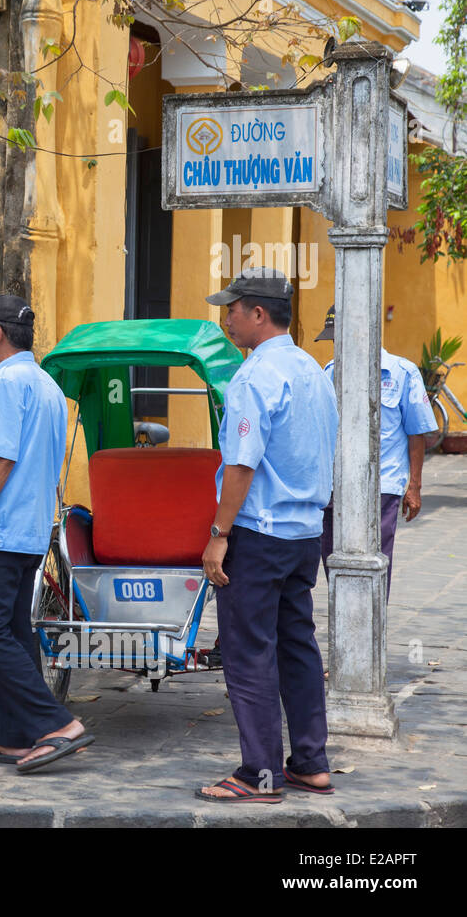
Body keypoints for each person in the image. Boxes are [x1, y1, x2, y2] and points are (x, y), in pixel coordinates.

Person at [197, 269, 338, 803]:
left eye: (231, 308)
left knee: (248, 651)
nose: (226, 318)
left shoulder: (255, 376)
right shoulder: (312, 371)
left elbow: (240, 466)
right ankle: (310, 762)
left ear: (258, 314)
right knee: (297, 647)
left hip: (258, 532)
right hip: (304, 534)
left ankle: (258, 773)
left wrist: (218, 533)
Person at [0, 295, 94, 774]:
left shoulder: (10, 382)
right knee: (14, 631)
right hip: (30, 530)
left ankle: (55, 723)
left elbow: (2, 456)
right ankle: (14, 734)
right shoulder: (47, 385)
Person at [315, 304, 437, 598]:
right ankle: (343, 620)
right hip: (334, 486)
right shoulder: (330, 371)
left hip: (381, 486)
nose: (338, 346)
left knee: (374, 561)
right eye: (334, 339)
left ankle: (371, 622)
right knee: (333, 562)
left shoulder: (402, 372)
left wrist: (415, 486)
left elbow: (416, 432)